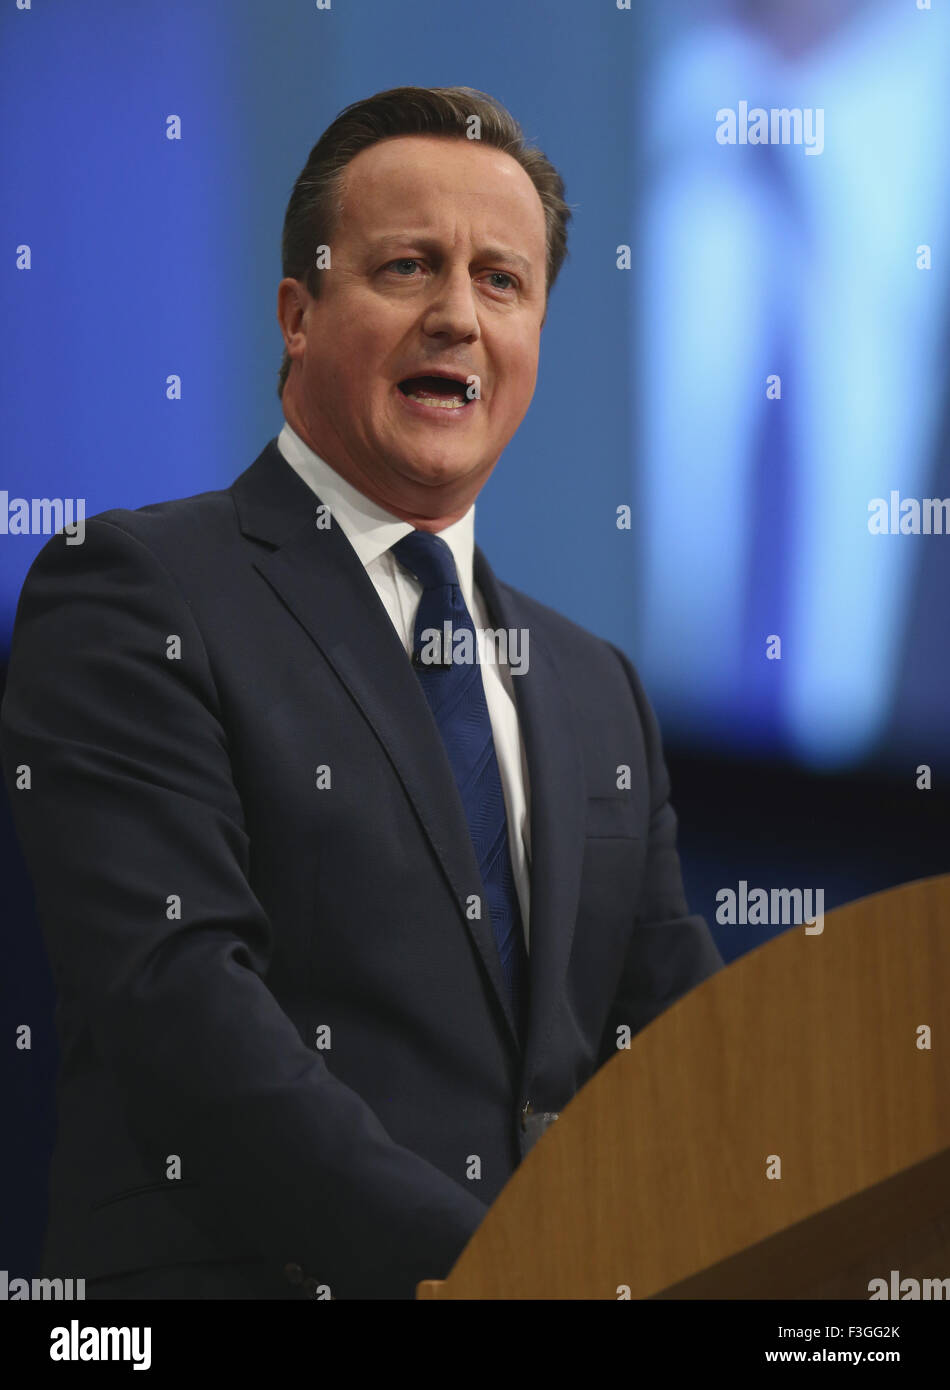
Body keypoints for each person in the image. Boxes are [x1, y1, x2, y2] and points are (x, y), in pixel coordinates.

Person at [0, 85, 723, 1301]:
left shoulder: (598, 692)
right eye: (407, 267)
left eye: (503, 283)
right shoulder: (134, 593)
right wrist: (493, 1269)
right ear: (297, 312)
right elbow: (183, 1011)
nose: (458, 315)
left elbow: (692, 1058)